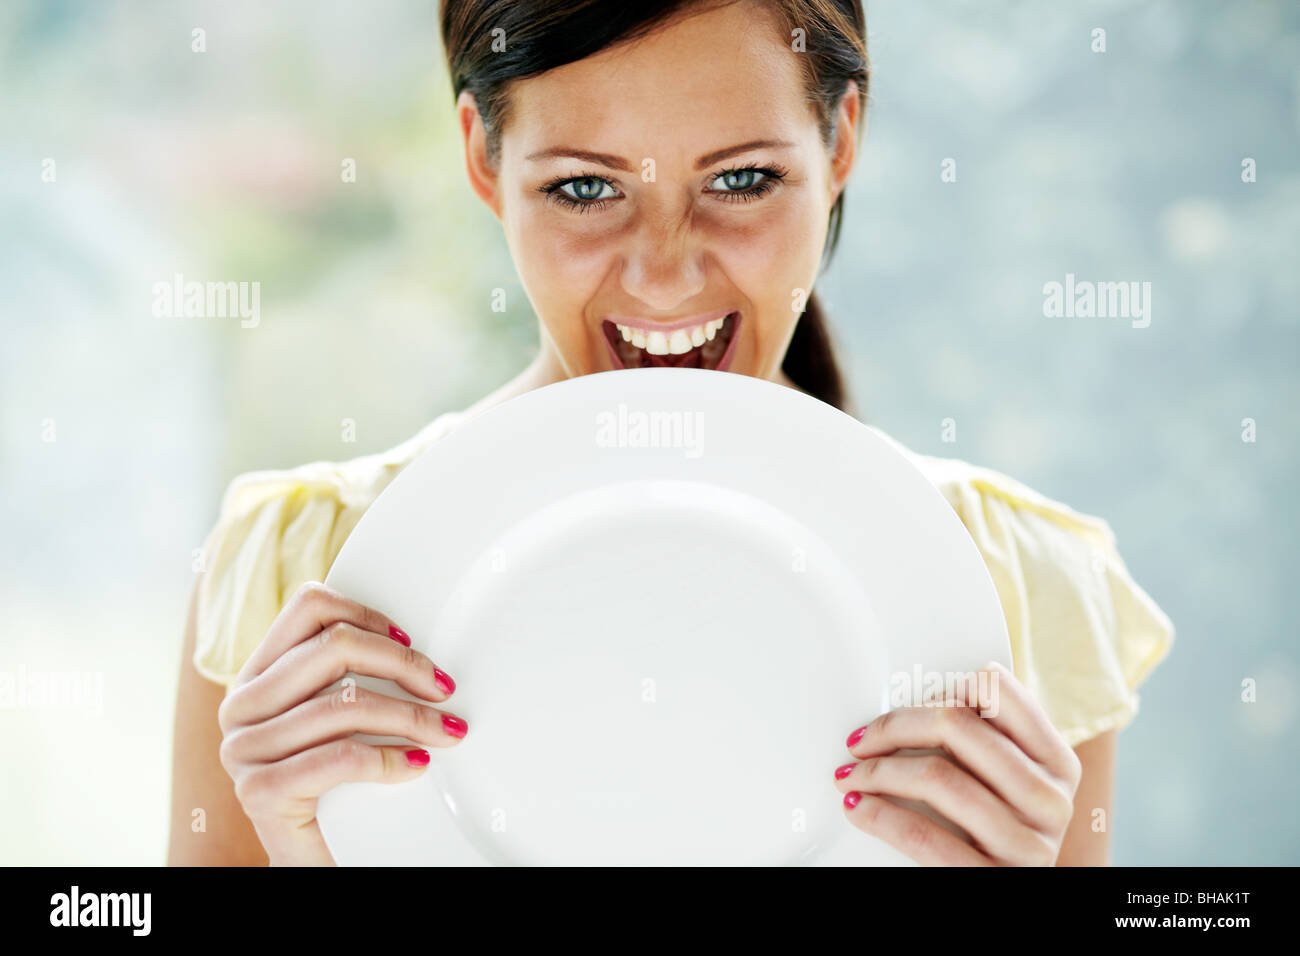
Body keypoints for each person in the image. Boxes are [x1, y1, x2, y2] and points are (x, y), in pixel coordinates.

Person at [168, 0, 1175, 866]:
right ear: (483, 159)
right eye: (584, 187)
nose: (662, 274)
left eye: (740, 181)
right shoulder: (297, 574)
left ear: (840, 145)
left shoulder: (1023, 591)